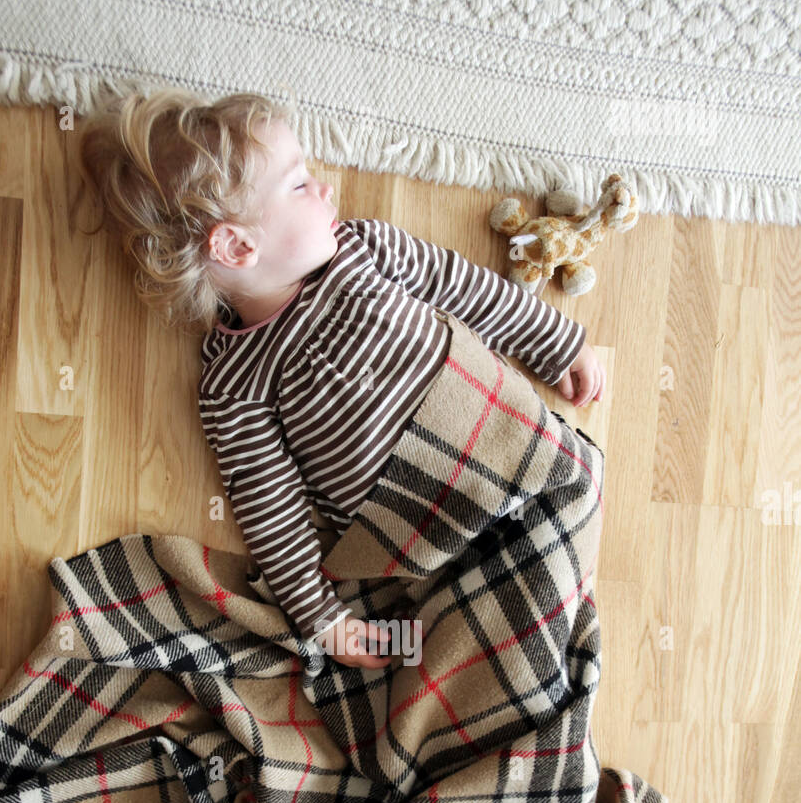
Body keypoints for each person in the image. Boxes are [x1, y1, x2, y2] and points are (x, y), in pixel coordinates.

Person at [77, 89, 606, 668]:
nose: (326, 189)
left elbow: (468, 290)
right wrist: (322, 619)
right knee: (455, 648)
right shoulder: (233, 384)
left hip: (502, 441)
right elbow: (269, 507)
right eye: (300, 185)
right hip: (423, 537)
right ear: (236, 244)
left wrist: (555, 341)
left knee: (564, 513)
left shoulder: (364, 249)